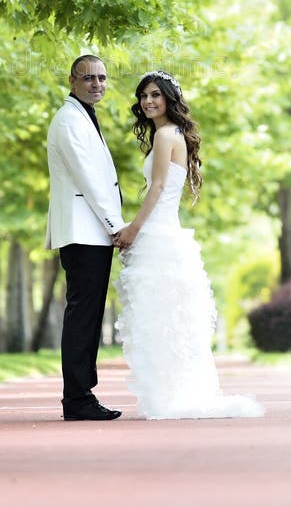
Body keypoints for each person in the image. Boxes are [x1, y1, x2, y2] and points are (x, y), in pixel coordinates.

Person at [114, 70, 265, 421]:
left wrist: (133, 229)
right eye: (143, 96)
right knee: (164, 319)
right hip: (167, 234)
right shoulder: (170, 134)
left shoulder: (167, 135)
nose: (148, 101)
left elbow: (157, 188)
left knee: (161, 318)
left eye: (155, 95)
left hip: (159, 235)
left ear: (169, 98)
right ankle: (169, 393)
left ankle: (171, 396)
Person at [46, 54, 126, 421]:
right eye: (89, 78)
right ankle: (77, 399)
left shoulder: (83, 118)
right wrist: (116, 225)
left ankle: (81, 395)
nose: (97, 84)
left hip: (91, 232)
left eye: (102, 78)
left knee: (89, 316)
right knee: (83, 317)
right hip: (85, 232)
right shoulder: (68, 121)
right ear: (72, 81)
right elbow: (88, 180)